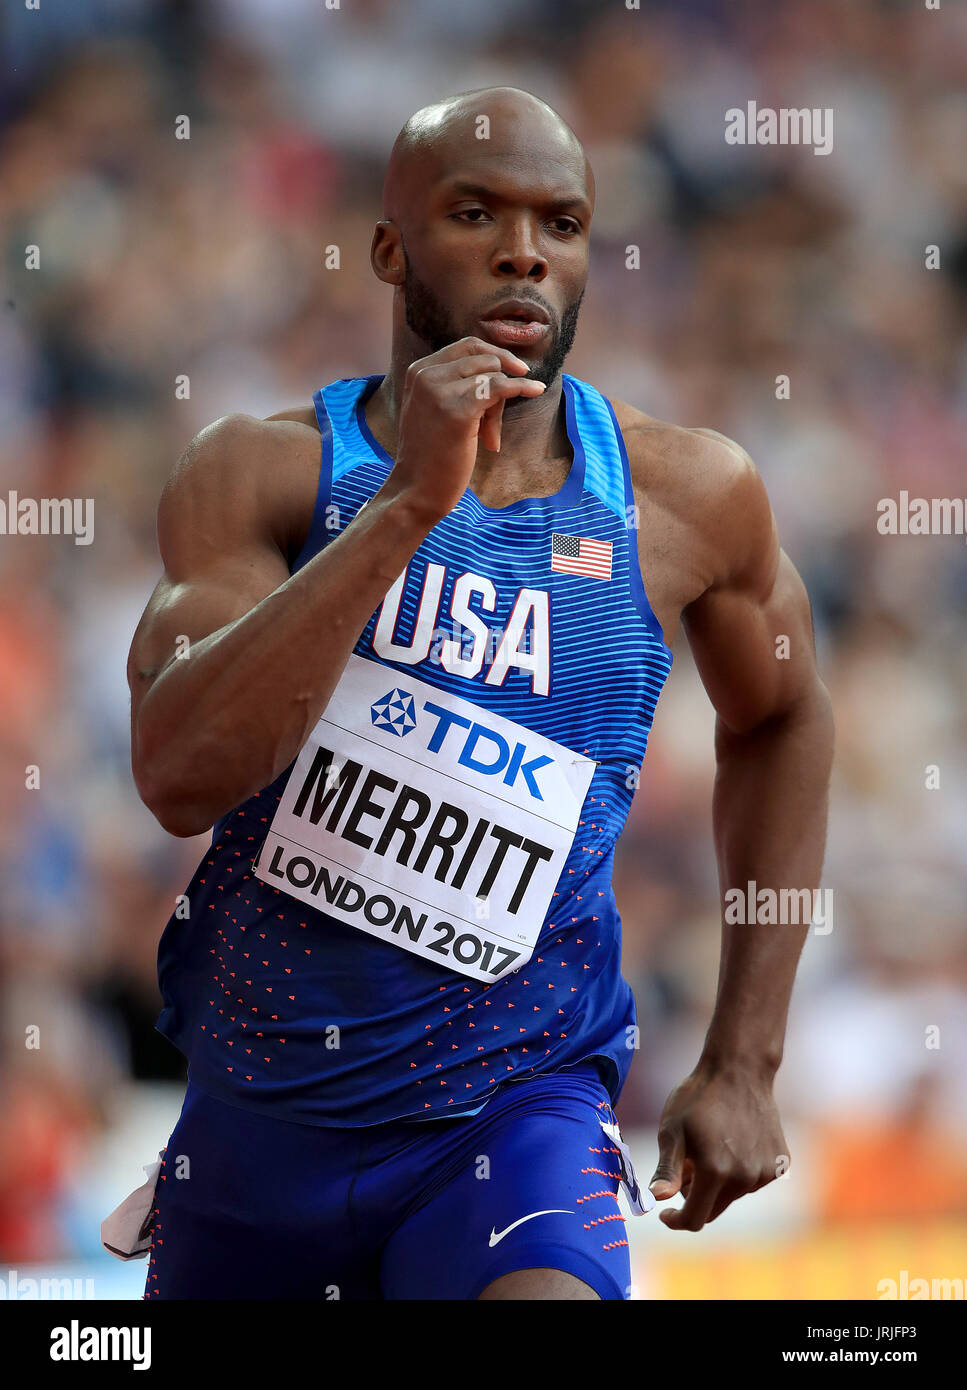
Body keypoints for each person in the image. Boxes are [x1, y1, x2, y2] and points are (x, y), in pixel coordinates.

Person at [126, 86, 833, 1301]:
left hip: (517, 1107)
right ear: (391, 249)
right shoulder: (268, 475)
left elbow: (781, 714)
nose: (523, 250)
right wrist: (406, 506)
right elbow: (178, 776)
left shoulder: (685, 499)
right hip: (264, 1119)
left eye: (560, 224)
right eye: (475, 214)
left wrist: (745, 1057)